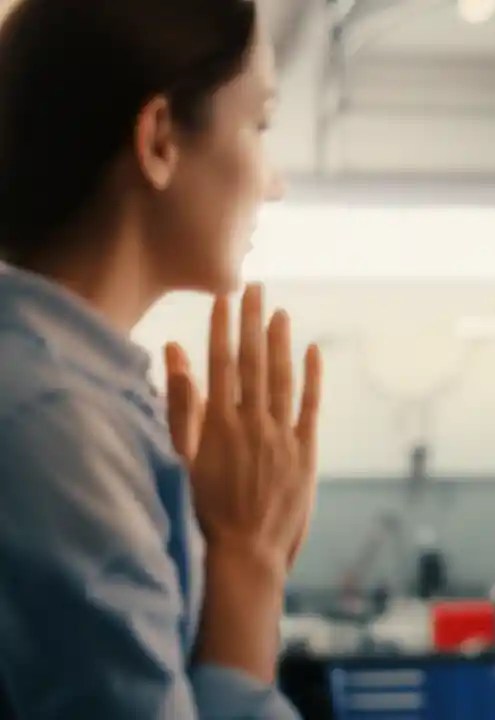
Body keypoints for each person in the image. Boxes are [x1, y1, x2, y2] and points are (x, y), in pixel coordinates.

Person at [0, 1, 323, 717]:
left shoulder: (70, 403)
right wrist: (247, 569)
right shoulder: (56, 422)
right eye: (259, 125)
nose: (274, 182)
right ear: (159, 140)